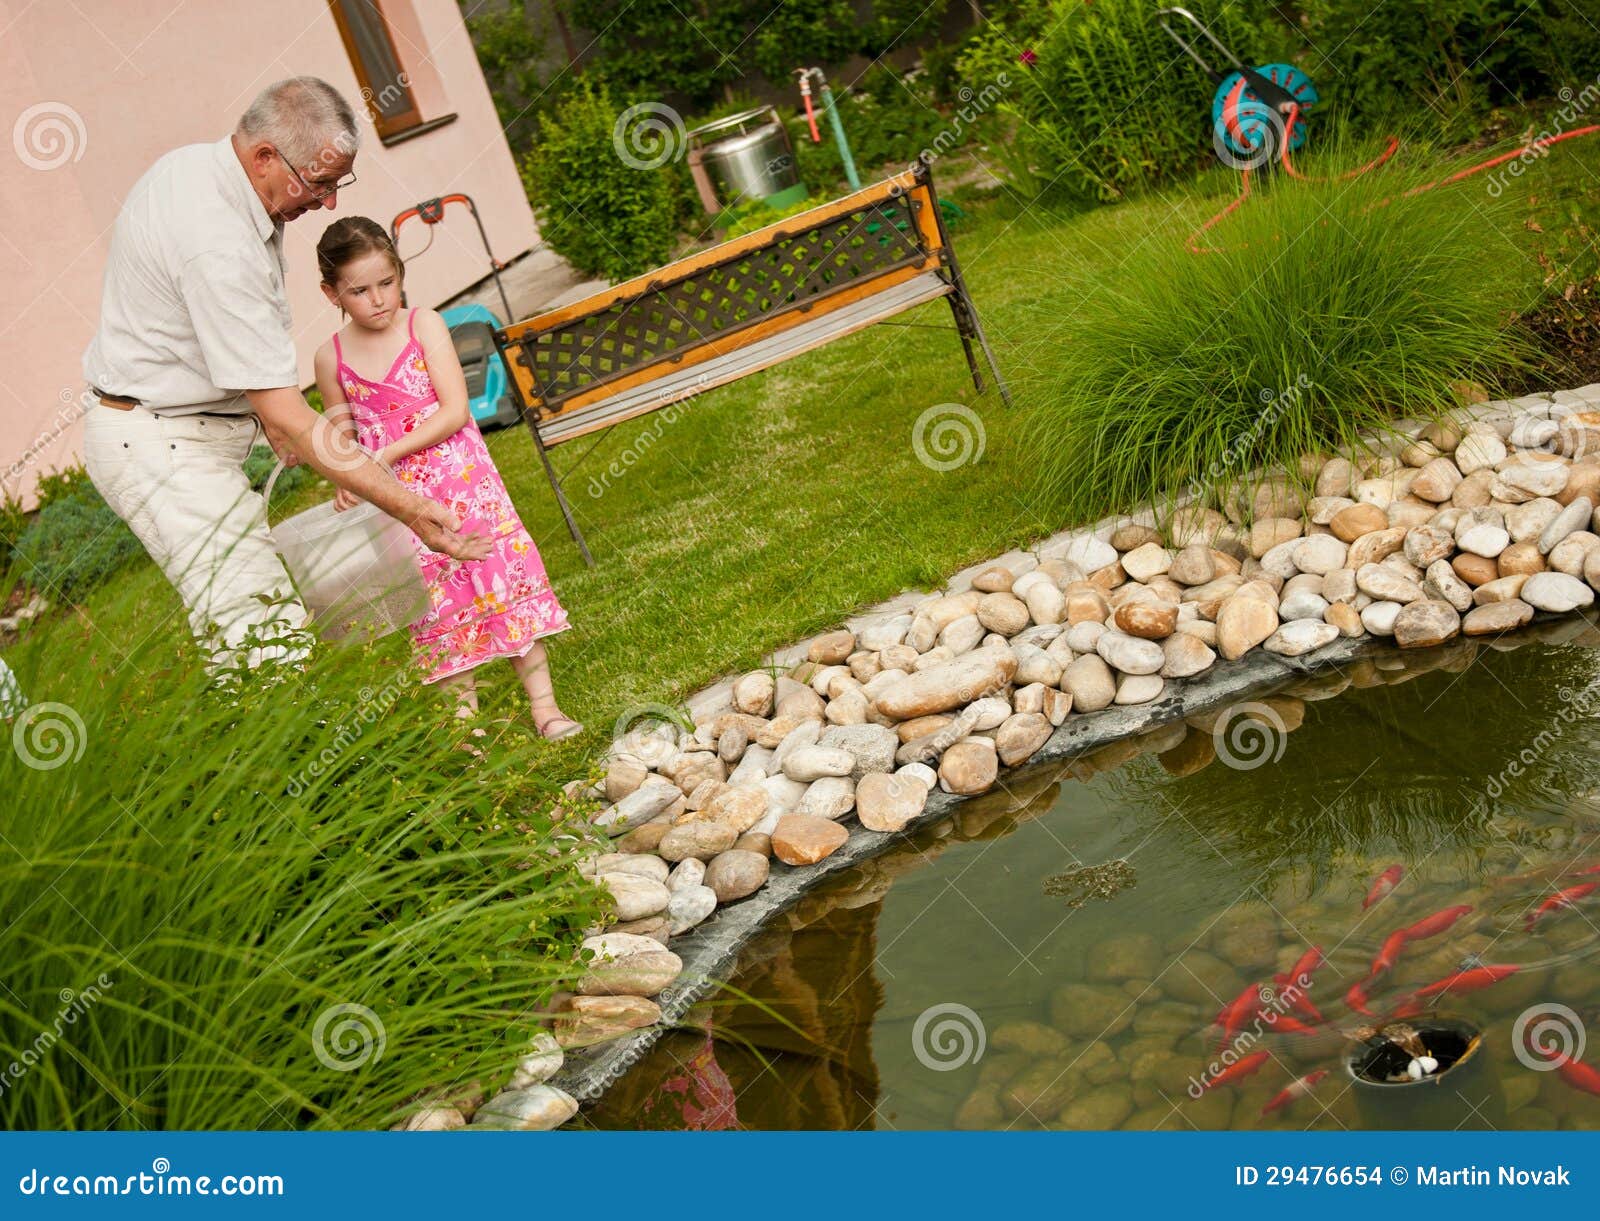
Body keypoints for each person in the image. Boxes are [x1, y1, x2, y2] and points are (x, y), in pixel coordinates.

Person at [81, 77, 488, 674]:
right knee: (262, 631)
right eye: (319, 183)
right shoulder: (217, 241)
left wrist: (266, 415)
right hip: (160, 443)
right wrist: (409, 508)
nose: (326, 203)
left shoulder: (199, 171)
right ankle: (294, 765)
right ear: (265, 156)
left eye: (336, 183)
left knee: (251, 622)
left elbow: (221, 350)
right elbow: (287, 412)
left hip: (170, 429)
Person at [312, 217, 580, 741]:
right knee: (435, 606)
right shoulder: (330, 358)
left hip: (463, 484)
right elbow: (341, 435)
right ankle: (468, 733)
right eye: (359, 291)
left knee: (500, 580)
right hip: (401, 504)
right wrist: (347, 475)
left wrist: (385, 452)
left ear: (400, 274)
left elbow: (456, 409)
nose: (378, 299)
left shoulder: (423, 325)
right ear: (332, 293)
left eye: (386, 283)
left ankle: (545, 708)